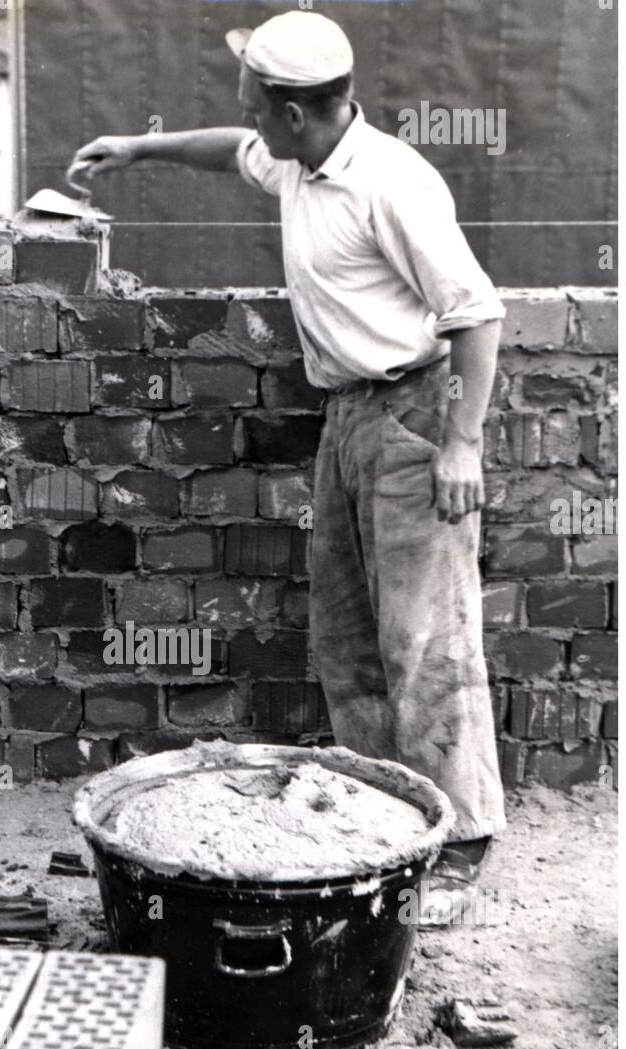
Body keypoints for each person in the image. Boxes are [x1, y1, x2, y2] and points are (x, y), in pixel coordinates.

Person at [67, 10, 507, 920]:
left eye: (255, 107)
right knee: (346, 635)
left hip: (413, 414)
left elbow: (476, 313)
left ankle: (459, 843)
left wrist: (461, 443)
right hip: (347, 416)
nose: (247, 122)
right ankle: (390, 820)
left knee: (422, 639)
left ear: (297, 112)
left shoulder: (391, 184)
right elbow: (228, 148)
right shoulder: (299, 154)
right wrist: (133, 152)